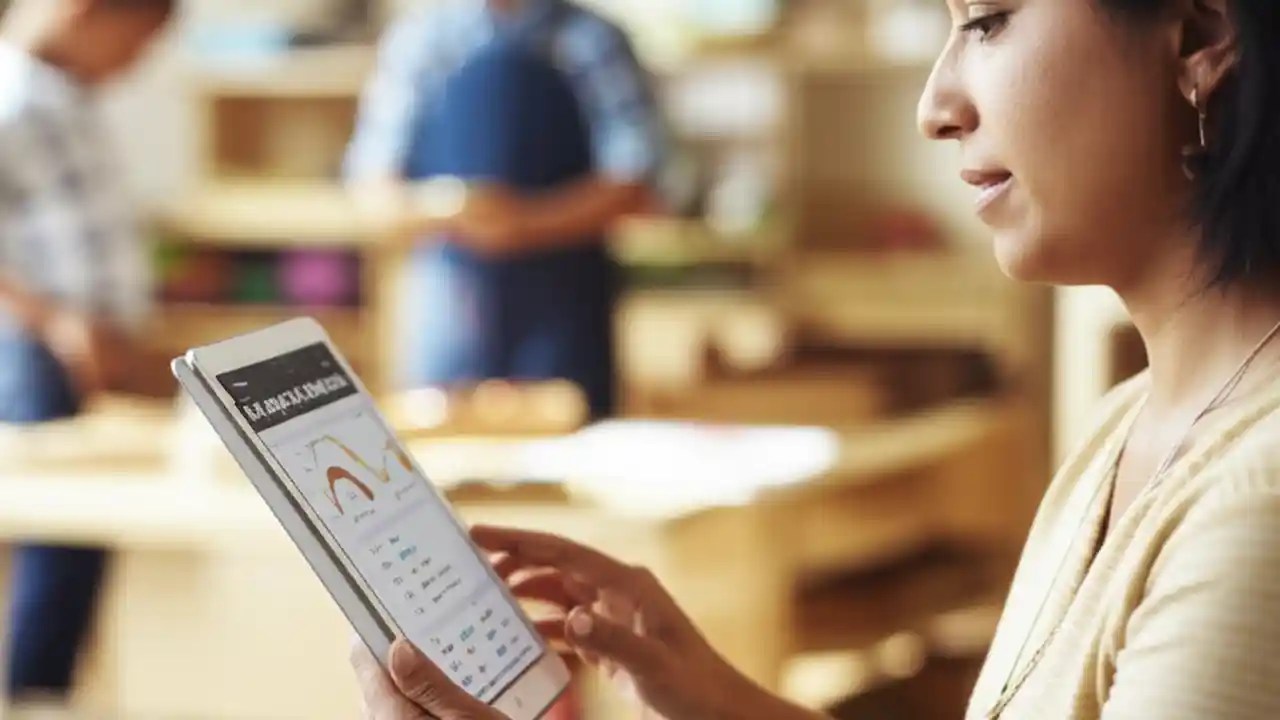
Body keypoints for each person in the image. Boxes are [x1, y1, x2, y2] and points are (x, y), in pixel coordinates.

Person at [352, 0, 1280, 718]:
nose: (936, 107)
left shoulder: (1256, 506)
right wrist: (718, 700)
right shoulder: (1126, 423)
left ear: (1198, 35)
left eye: (989, 21)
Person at [344, 0, 665, 421]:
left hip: (564, 295)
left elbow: (635, 180)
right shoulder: (421, 40)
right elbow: (372, 188)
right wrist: (455, 208)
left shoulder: (593, 40)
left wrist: (525, 224)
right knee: (439, 450)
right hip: (448, 291)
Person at [0, 0, 175, 708]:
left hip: (93, 353)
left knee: (86, 540)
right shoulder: (10, 100)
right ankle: (37, 693)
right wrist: (60, 323)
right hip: (33, 355)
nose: (133, 67)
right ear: (84, 13)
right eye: (131, 46)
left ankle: (54, 688)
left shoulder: (69, 101)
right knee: (58, 536)